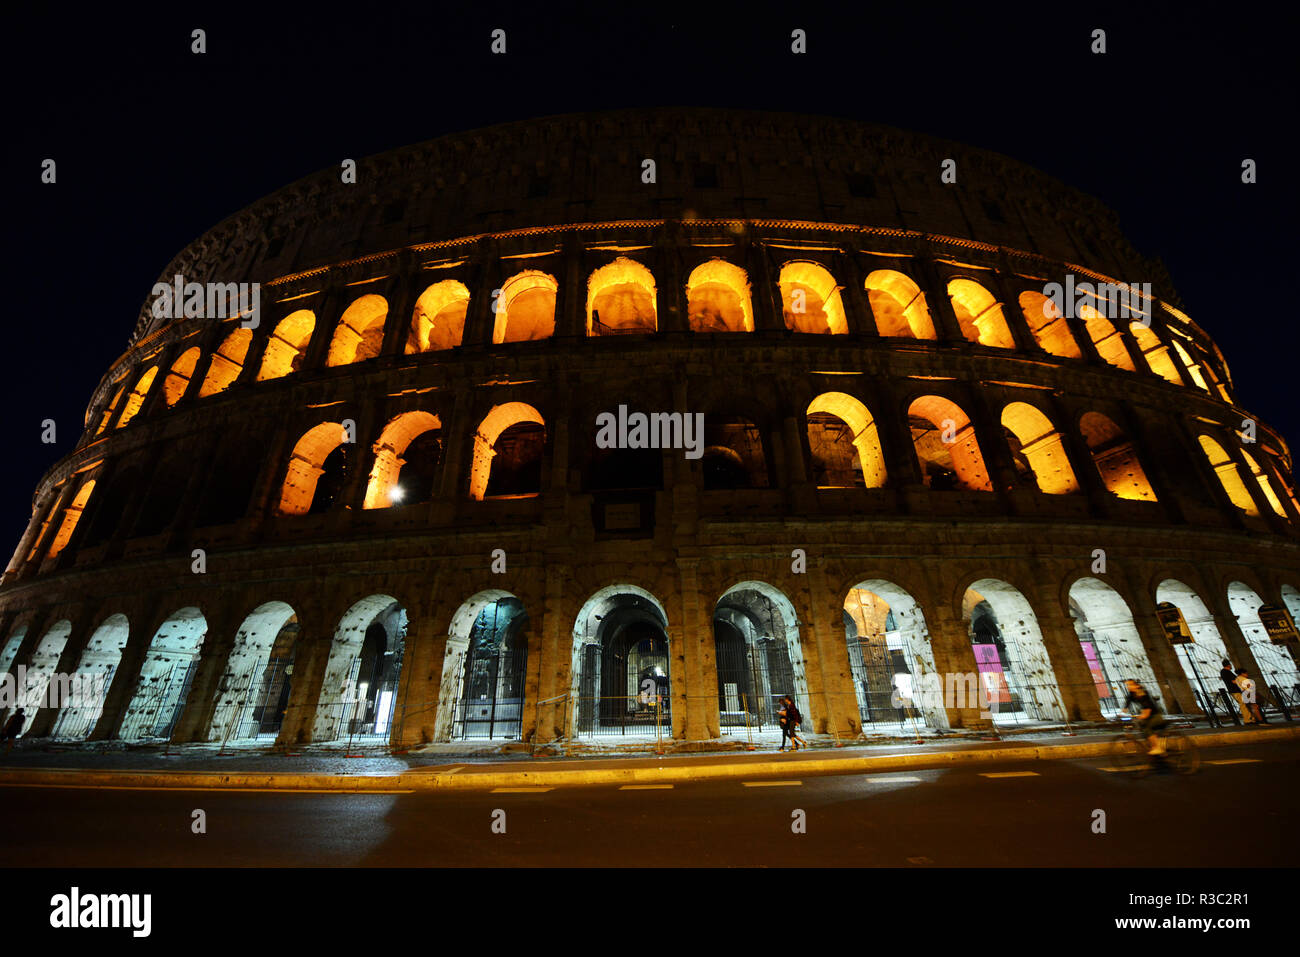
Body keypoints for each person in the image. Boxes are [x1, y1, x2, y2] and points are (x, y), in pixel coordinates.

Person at [1120, 678, 1167, 756]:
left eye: (1130, 685)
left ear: (1136, 685)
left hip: (1155, 715)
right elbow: (1128, 702)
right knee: (1141, 726)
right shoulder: (1132, 693)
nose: (1128, 687)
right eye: (1127, 685)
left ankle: (1157, 748)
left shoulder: (1141, 692)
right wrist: (1122, 712)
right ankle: (1152, 745)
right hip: (1147, 714)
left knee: (1147, 727)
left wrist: (1143, 715)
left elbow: (1147, 705)